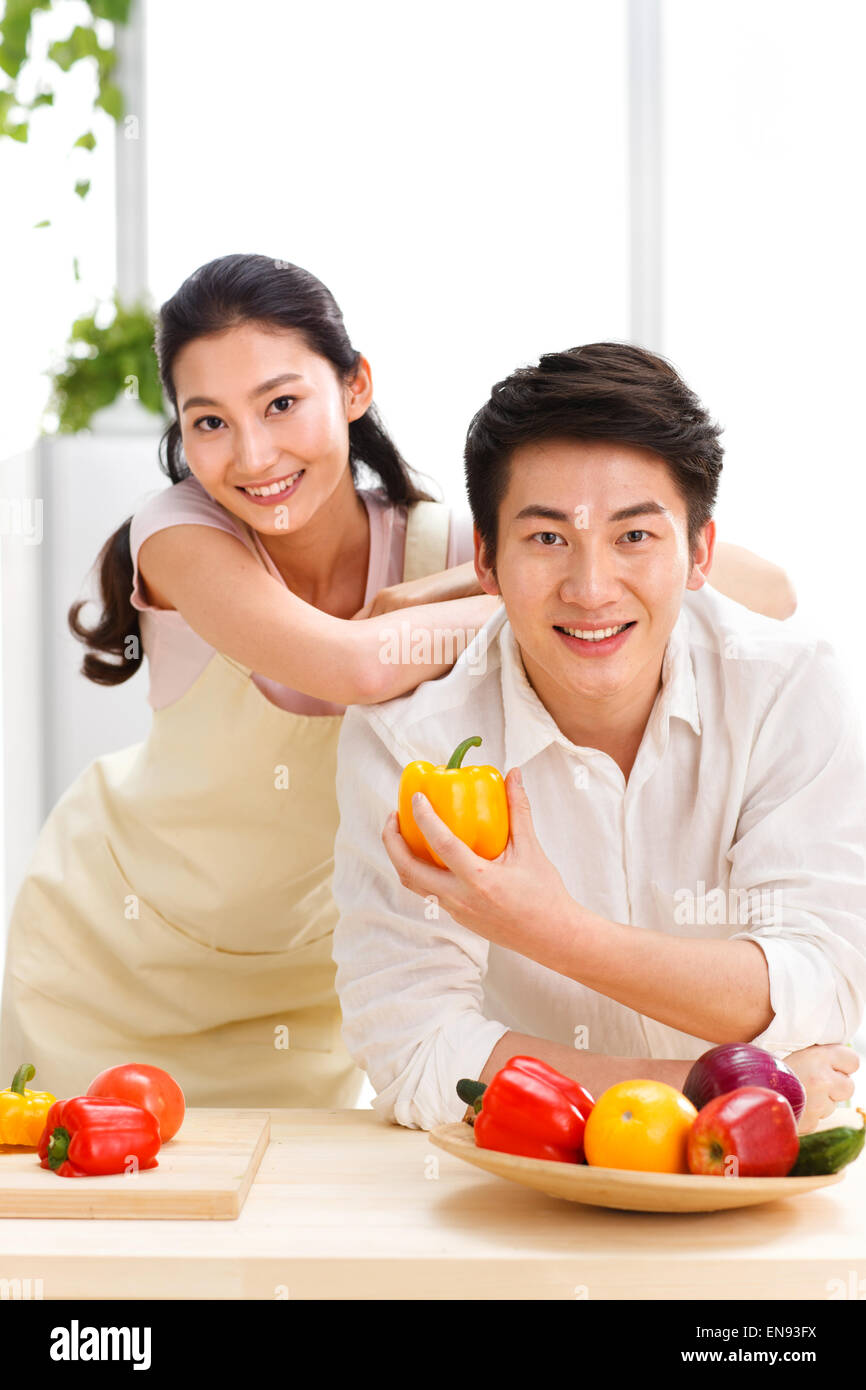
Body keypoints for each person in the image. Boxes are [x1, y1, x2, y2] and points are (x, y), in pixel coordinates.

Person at [0, 261, 795, 1109]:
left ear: (353, 387)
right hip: (113, 961)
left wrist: (455, 586)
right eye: (209, 422)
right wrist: (514, 605)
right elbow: (356, 664)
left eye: (281, 403)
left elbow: (766, 593)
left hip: (299, 995)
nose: (253, 453)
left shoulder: (437, 546)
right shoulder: (177, 531)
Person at [330, 342, 864, 1136]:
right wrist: (696, 1093)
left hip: (761, 1186)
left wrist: (550, 930)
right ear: (485, 557)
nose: (589, 589)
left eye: (634, 537)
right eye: (547, 539)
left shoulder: (786, 689)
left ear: (700, 553)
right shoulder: (410, 740)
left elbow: (822, 981)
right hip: (529, 1186)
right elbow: (415, 1047)